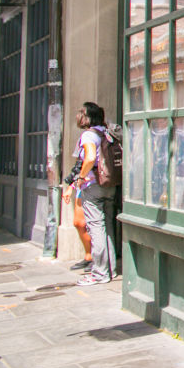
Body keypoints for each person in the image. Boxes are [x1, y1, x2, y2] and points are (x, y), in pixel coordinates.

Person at [63, 102, 116, 285]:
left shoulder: (88, 134)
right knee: (107, 227)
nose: (78, 115)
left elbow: (90, 157)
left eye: (81, 112)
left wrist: (80, 178)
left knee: (96, 228)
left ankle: (100, 273)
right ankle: (111, 268)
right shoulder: (106, 132)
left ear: (87, 117)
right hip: (110, 183)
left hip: (93, 185)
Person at [61, 155, 92, 273]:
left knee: (93, 225)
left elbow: (90, 159)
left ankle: (96, 257)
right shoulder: (83, 141)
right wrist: (72, 185)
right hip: (82, 183)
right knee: (79, 223)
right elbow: (79, 164)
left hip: (94, 182)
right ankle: (89, 255)